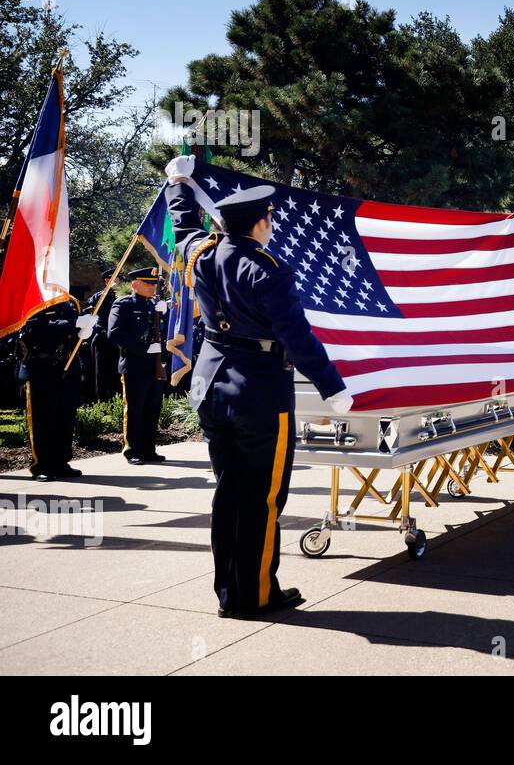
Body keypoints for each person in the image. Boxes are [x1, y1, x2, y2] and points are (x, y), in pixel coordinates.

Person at [164, 155, 351, 621]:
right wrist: (332, 387)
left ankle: (229, 590)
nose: (271, 226)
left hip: (211, 387)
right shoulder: (269, 271)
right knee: (263, 498)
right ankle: (256, 594)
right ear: (259, 225)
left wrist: (178, 183)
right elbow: (297, 337)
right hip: (260, 394)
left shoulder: (201, 254)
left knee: (229, 491)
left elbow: (184, 225)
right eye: (268, 220)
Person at [19, 300, 94, 480]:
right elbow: (33, 331)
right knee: (43, 419)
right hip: (41, 368)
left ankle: (61, 462)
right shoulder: (34, 300)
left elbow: (72, 335)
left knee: (65, 417)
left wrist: (85, 332)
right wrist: (73, 324)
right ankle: (42, 465)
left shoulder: (69, 304)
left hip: (67, 367)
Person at [107, 266, 169, 465]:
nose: (153, 287)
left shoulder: (155, 305)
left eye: (154, 284)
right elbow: (114, 332)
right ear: (135, 284)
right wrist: (142, 348)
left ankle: (149, 449)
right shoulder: (123, 304)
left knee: (152, 408)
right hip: (134, 364)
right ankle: (132, 449)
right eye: (148, 283)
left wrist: (165, 315)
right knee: (134, 409)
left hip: (155, 364)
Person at [82, 268, 120, 402]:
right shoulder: (100, 295)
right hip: (103, 338)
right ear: (106, 280)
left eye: (118, 278)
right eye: (114, 278)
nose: (118, 281)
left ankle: (118, 400)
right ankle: (103, 402)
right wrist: (109, 291)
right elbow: (90, 309)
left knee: (118, 372)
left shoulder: (124, 296)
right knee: (102, 373)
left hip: (119, 340)